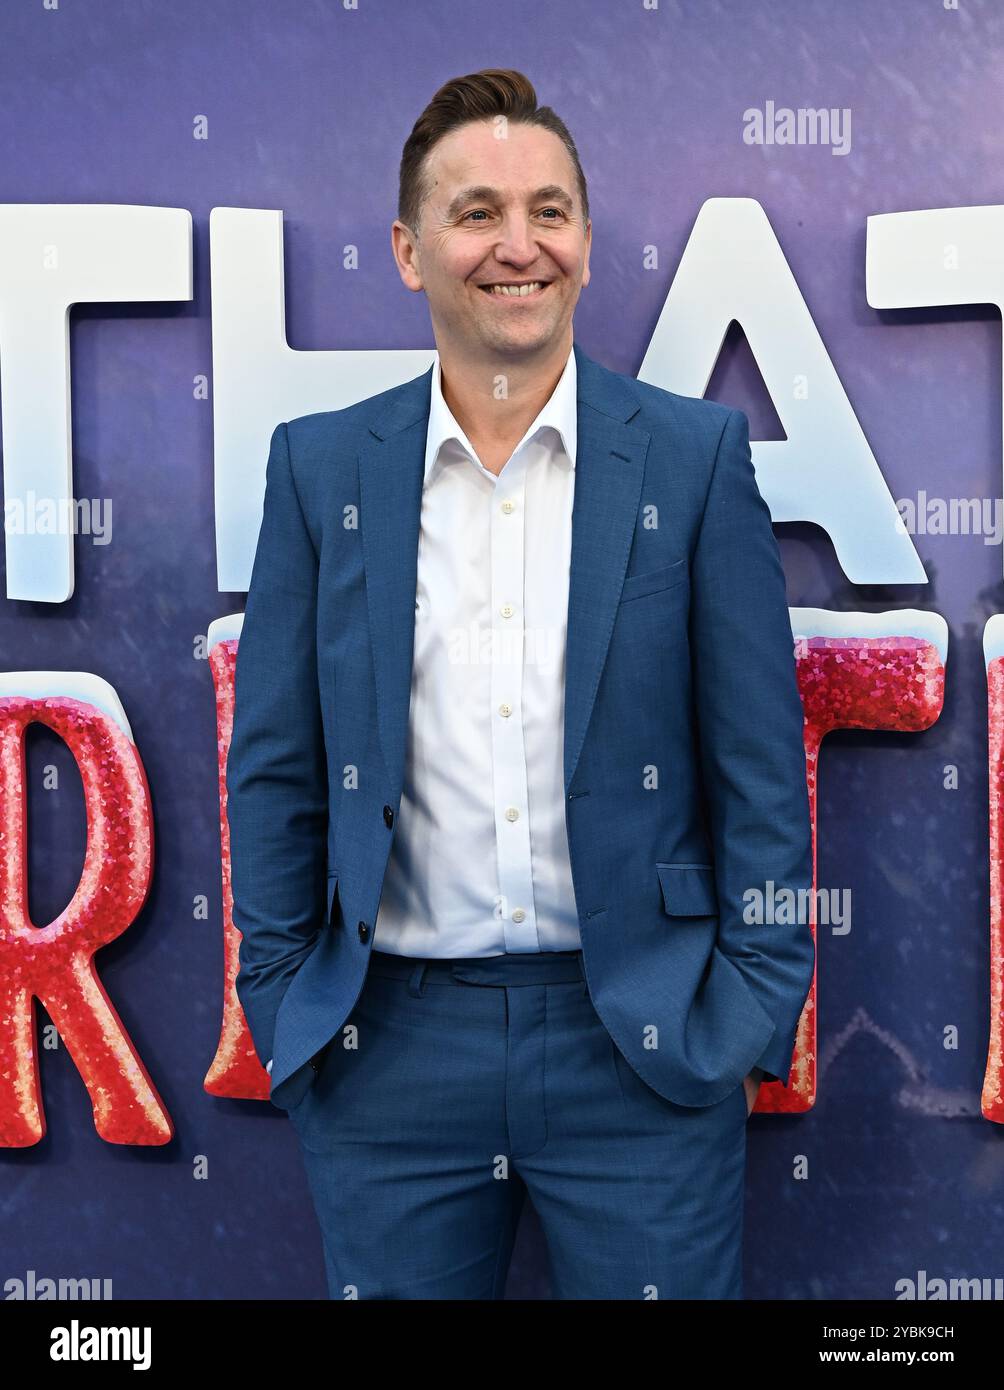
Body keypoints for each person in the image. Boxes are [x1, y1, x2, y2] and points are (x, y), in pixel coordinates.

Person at [226, 67, 815, 1300]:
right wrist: (285, 994)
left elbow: (758, 768)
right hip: (387, 1052)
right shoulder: (319, 469)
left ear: (586, 244)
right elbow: (276, 764)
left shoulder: (692, 460)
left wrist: (747, 1006)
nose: (517, 245)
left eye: (548, 211)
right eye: (475, 211)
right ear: (406, 249)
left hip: (642, 1047)